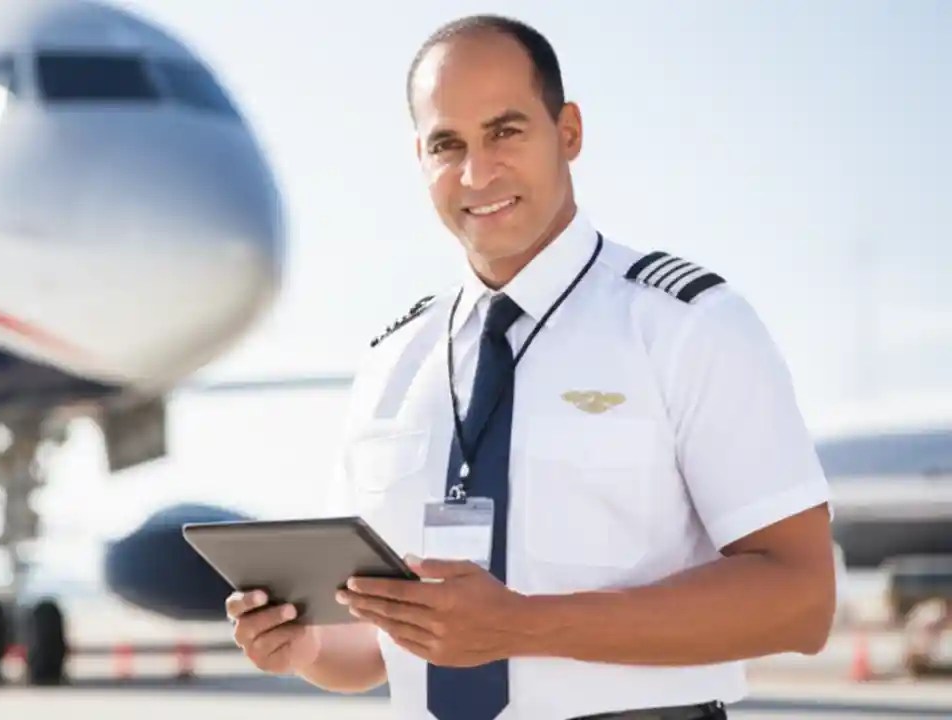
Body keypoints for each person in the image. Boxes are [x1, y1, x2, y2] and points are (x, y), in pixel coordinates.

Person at [225, 13, 836, 720]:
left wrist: (521, 625)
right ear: (420, 158)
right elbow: (370, 646)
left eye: (505, 132)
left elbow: (802, 600)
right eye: (447, 144)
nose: (476, 172)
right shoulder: (393, 363)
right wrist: (304, 647)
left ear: (568, 132)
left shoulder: (686, 325)